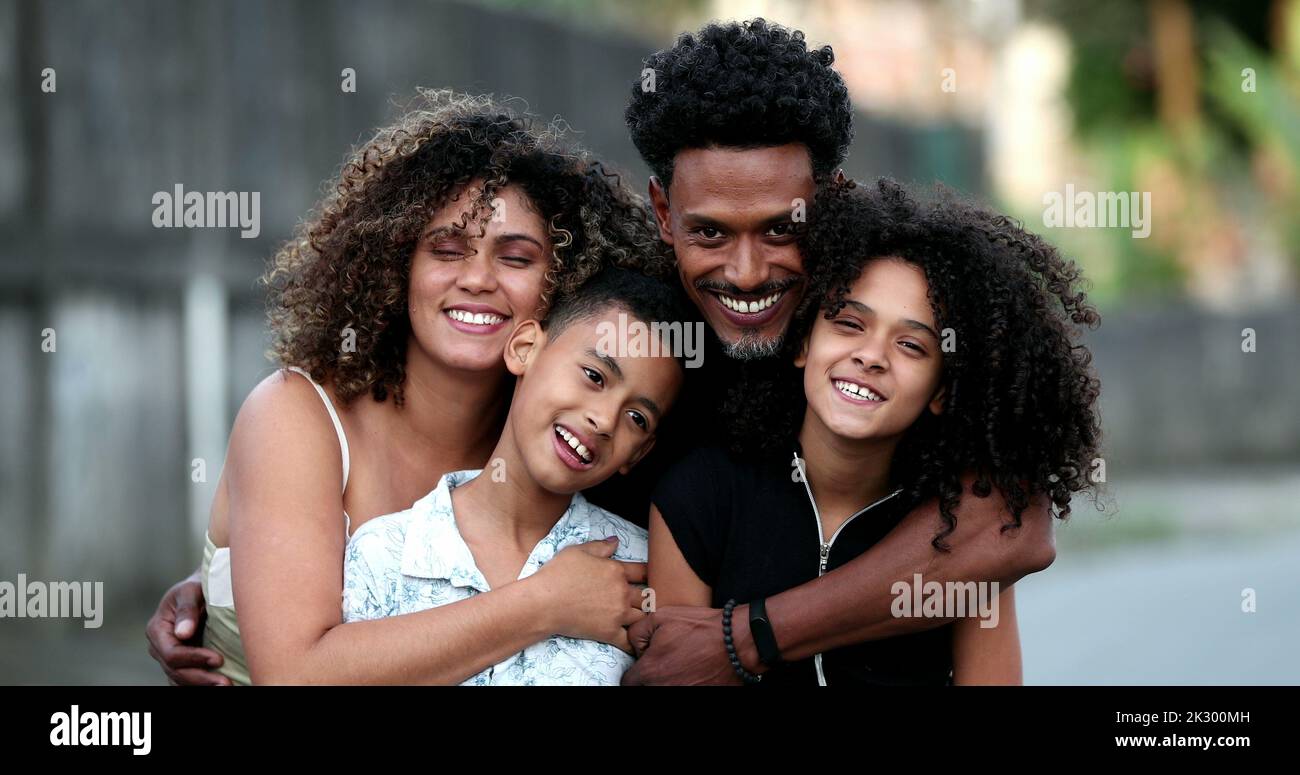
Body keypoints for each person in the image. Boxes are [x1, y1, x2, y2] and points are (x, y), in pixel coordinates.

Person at [147, 89, 670, 685]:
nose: (476, 279)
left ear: (566, 285)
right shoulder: (293, 416)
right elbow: (293, 674)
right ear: (398, 265)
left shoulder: (564, 435)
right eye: (446, 250)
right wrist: (543, 604)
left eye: (516, 259)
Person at [618, 18, 1061, 684]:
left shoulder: (883, 326)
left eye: (778, 229)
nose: (744, 272)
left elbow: (1014, 528)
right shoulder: (626, 333)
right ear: (662, 211)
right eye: (708, 231)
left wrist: (748, 636)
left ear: (829, 202)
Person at [649, 178, 1102, 684]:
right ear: (802, 344)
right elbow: (674, 664)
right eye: (848, 323)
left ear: (941, 392)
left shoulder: (960, 533)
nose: (871, 356)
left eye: (911, 346)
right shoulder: (700, 495)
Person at [343, 268, 689, 684]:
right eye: (594, 376)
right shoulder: (385, 553)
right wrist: (545, 603)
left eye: (637, 417)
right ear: (526, 348)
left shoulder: (643, 570)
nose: (604, 420)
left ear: (641, 451)